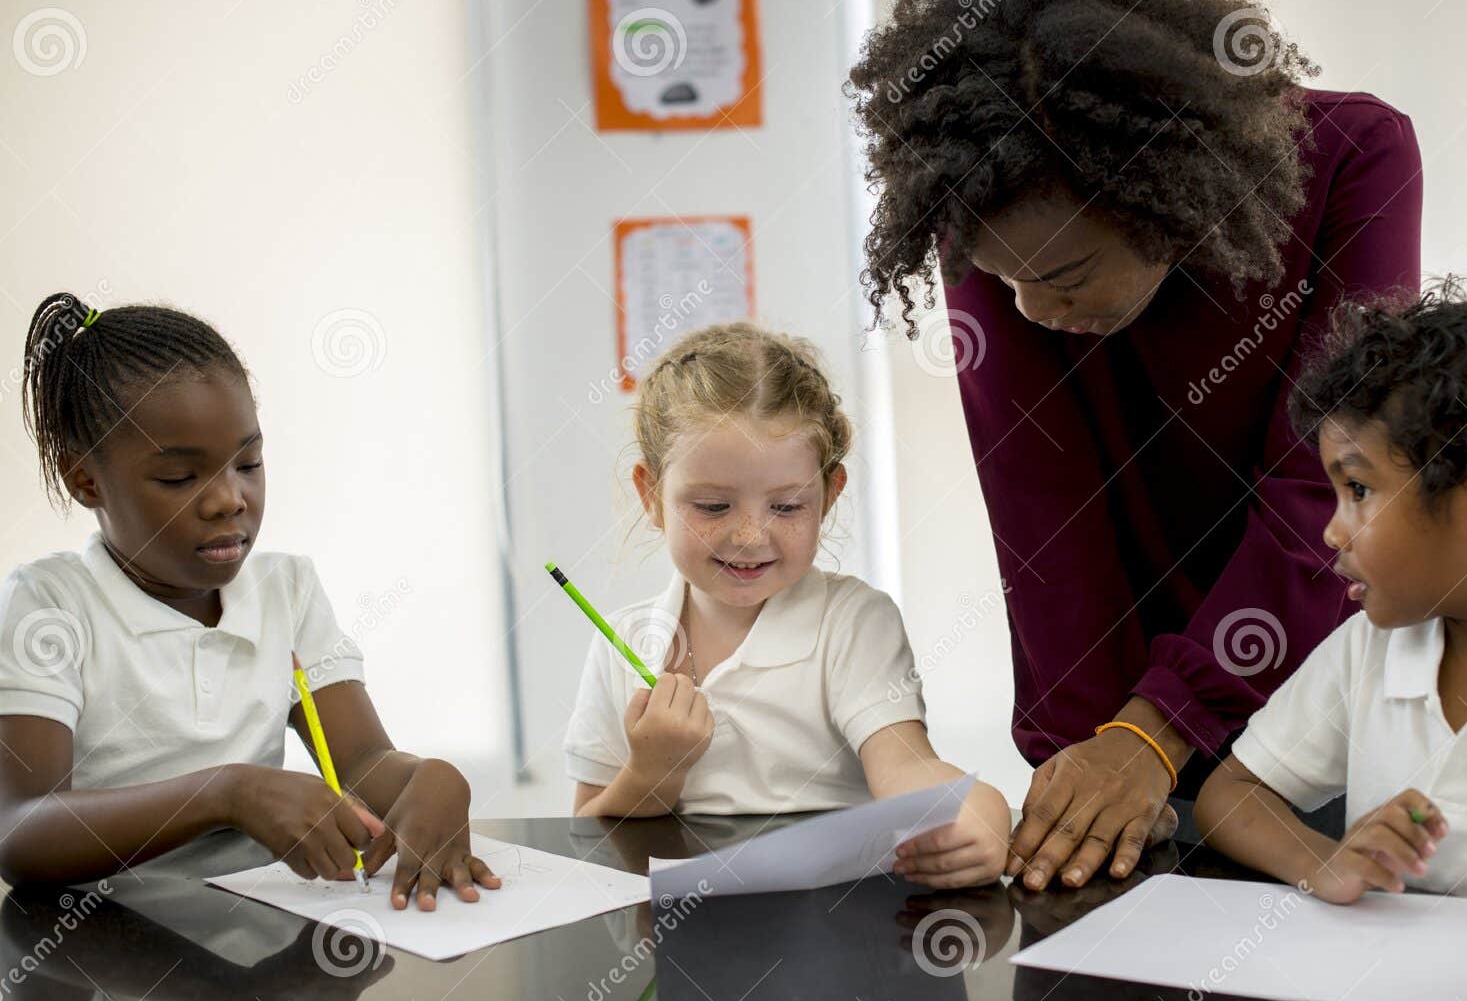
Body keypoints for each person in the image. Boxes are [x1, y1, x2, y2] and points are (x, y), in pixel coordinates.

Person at [847, 0, 1423, 889]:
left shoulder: (1355, 159)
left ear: (1165, 200)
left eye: (1065, 277)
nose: (1035, 311)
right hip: (1115, 718)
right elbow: (1045, 516)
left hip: (1317, 695)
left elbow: (1322, 491)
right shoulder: (986, 203)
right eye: (1007, 283)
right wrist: (1091, 758)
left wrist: (1158, 729)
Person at [0, 292, 494, 910]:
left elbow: (364, 762)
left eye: (249, 463)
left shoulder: (285, 589)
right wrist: (224, 794)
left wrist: (428, 779)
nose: (230, 499)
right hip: (104, 960)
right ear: (86, 480)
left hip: (257, 938)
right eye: (180, 478)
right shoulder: (49, 605)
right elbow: (20, 833)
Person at [563, 322, 1012, 889]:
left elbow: (904, 765)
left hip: (835, 930)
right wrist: (656, 772)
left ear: (829, 495)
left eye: (786, 507)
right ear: (651, 496)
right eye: (711, 506)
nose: (750, 536)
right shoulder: (623, 639)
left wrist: (977, 807)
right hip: (685, 941)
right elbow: (587, 830)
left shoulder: (852, 621)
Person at [1195, 277, 1467, 901]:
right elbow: (1229, 797)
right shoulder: (1365, 653)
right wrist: (1326, 861)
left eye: (1358, 490)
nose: (1331, 531)